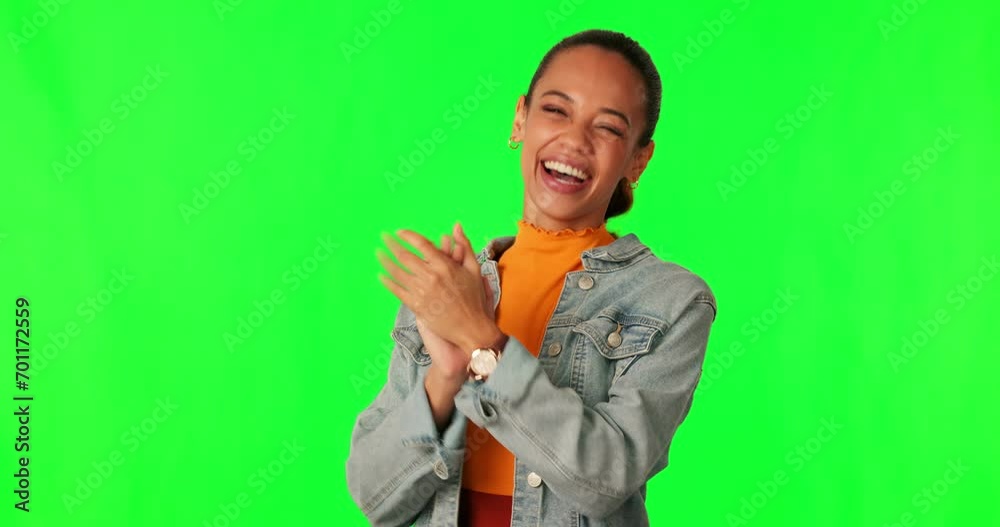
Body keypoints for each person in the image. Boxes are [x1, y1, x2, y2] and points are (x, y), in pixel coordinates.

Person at [347, 29, 718, 526]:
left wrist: (484, 342)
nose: (575, 140)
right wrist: (447, 375)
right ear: (520, 118)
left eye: (607, 128)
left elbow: (607, 477)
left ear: (638, 159)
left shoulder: (671, 301)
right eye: (556, 110)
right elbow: (375, 497)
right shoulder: (452, 288)